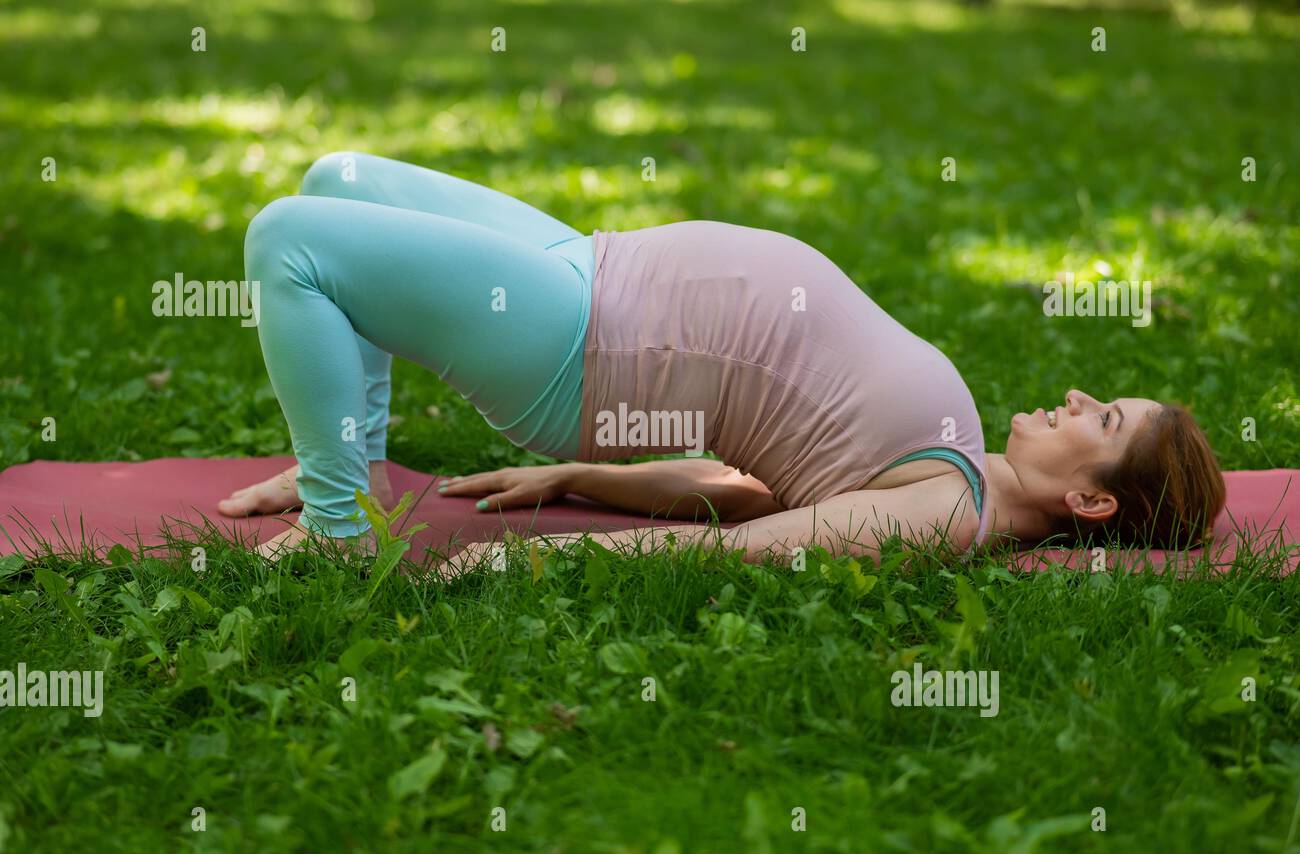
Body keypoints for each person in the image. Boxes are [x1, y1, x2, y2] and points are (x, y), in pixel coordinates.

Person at [222, 152, 1225, 564]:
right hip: (590, 267)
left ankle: (339, 521)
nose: (1076, 395)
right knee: (336, 177)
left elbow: (744, 550)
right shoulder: (954, 463)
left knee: (289, 239)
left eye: (1104, 419)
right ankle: (340, 452)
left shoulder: (949, 512)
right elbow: (750, 495)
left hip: (582, 344)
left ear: (1094, 503)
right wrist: (582, 476)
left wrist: (528, 560)